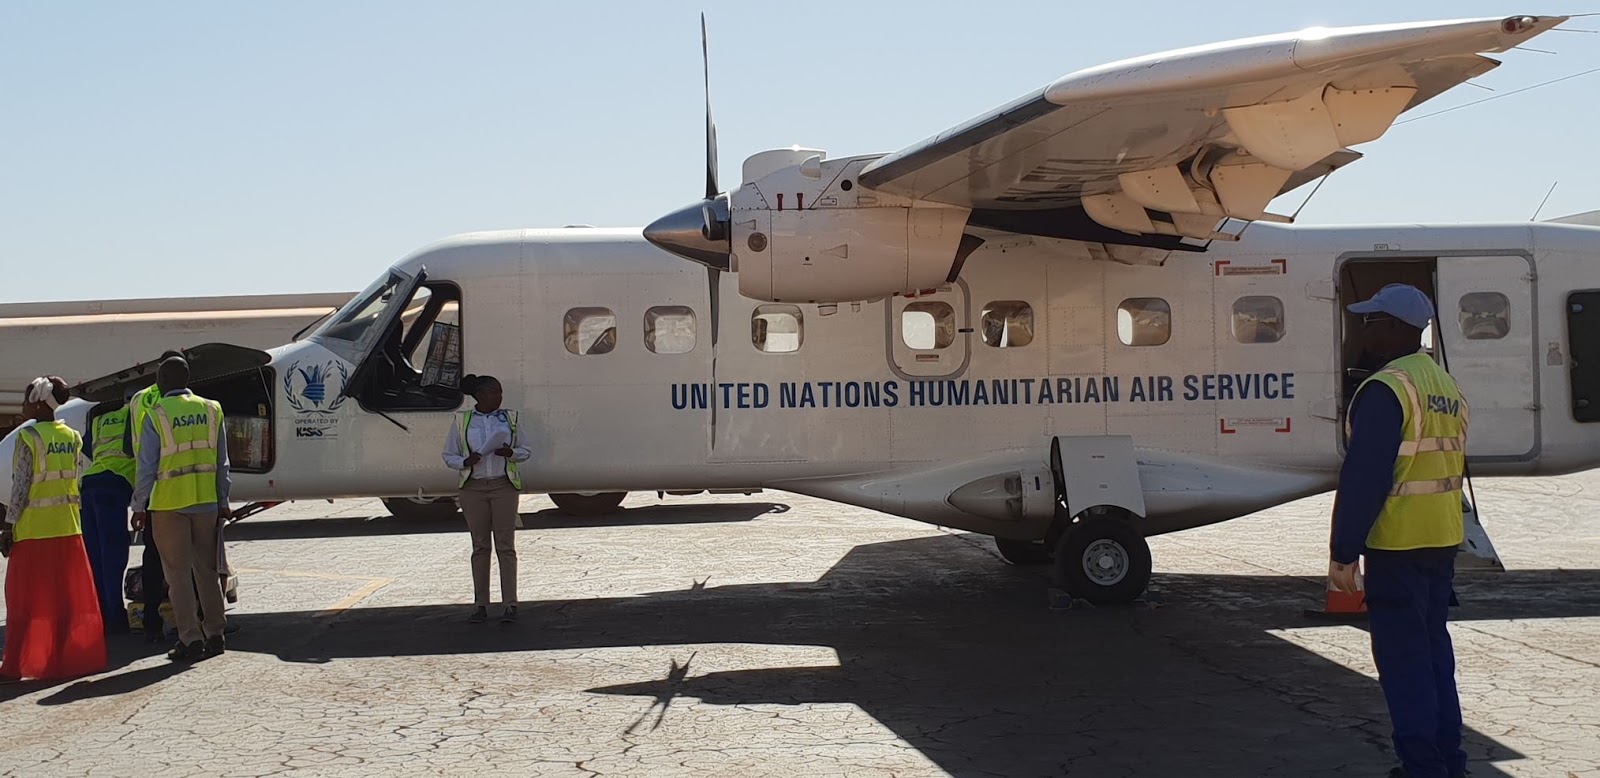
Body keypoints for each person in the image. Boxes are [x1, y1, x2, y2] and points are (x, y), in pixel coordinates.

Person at [1329, 284, 1470, 778]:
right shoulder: (1445, 386)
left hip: (1398, 546)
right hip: (1442, 541)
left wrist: (1344, 551)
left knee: (1405, 662)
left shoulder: (1387, 389)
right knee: (1434, 658)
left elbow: (1365, 477)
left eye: (1373, 322)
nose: (1366, 331)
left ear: (1396, 328)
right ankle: (1449, 761)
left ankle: (1422, 768)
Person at [0, 377, 108, 682]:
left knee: (23, 602)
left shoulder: (29, 437)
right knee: (64, 601)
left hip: (34, 532)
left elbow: (21, 487)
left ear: (37, 401)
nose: (21, 406)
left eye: (25, 399)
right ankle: (62, 659)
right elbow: (78, 475)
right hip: (68, 529)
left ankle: (14, 666)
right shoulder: (72, 437)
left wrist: (8, 526)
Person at [130, 357, 232, 662]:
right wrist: (223, 501)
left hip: (169, 506)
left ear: (161, 382)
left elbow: (147, 467)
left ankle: (190, 639)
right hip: (206, 504)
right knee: (207, 572)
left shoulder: (156, 414)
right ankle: (216, 633)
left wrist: (138, 506)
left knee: (178, 576)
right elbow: (221, 462)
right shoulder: (212, 409)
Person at [441, 374, 530, 623]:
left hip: (504, 486)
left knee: (505, 546)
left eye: (500, 392)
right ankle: (480, 604)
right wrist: (464, 461)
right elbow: (448, 454)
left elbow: (526, 449)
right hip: (473, 489)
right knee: (480, 546)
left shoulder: (510, 418)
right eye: (494, 392)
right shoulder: (463, 421)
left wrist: (511, 453)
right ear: (480, 395)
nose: (499, 397)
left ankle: (510, 604)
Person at [130, 350, 182, 642]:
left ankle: (151, 618)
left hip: (149, 488)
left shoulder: (138, 399)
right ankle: (188, 618)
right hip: (178, 487)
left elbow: (136, 447)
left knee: (152, 556)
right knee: (183, 558)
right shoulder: (175, 399)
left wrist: (139, 500)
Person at [80, 397, 138, 634]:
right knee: (113, 554)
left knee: (95, 555)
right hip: (115, 483)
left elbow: (88, 447)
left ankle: (99, 613)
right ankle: (115, 616)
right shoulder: (132, 414)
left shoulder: (99, 418)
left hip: (91, 483)